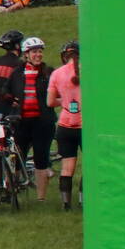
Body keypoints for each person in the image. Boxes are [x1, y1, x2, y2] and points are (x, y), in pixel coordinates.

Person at [12, 37, 56, 200]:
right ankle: (13, 193)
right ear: (26, 54)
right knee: (17, 157)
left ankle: (41, 197)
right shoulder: (17, 73)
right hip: (21, 122)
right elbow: (6, 91)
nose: (38, 55)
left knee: (41, 158)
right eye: (34, 52)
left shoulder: (48, 72)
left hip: (42, 122)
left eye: (40, 51)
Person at [47, 42, 81, 211]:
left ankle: (66, 203)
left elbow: (50, 102)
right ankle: (83, 199)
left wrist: (65, 101)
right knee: (88, 165)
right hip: (85, 125)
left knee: (67, 167)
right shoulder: (88, 70)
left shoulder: (56, 74)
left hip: (65, 125)